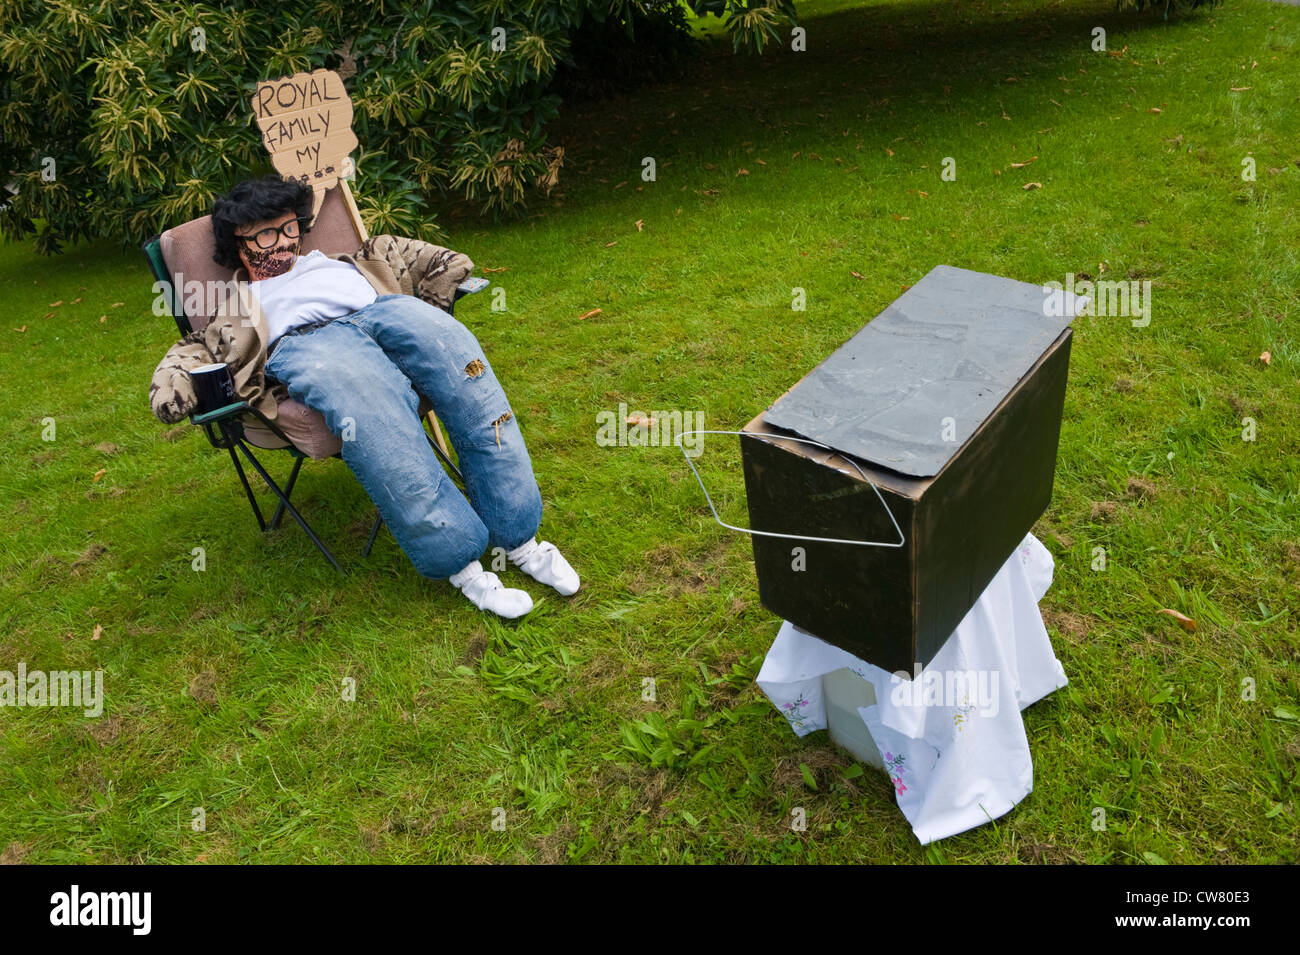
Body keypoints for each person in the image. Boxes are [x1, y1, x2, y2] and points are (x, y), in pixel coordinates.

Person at [210, 174, 577, 618]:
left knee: (474, 388)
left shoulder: (348, 260)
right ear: (239, 240)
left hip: (383, 311)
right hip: (314, 345)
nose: (285, 242)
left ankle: (521, 541)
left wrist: (436, 302)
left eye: (290, 228)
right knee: (382, 427)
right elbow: (187, 359)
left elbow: (449, 260)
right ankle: (466, 568)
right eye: (267, 233)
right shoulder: (236, 305)